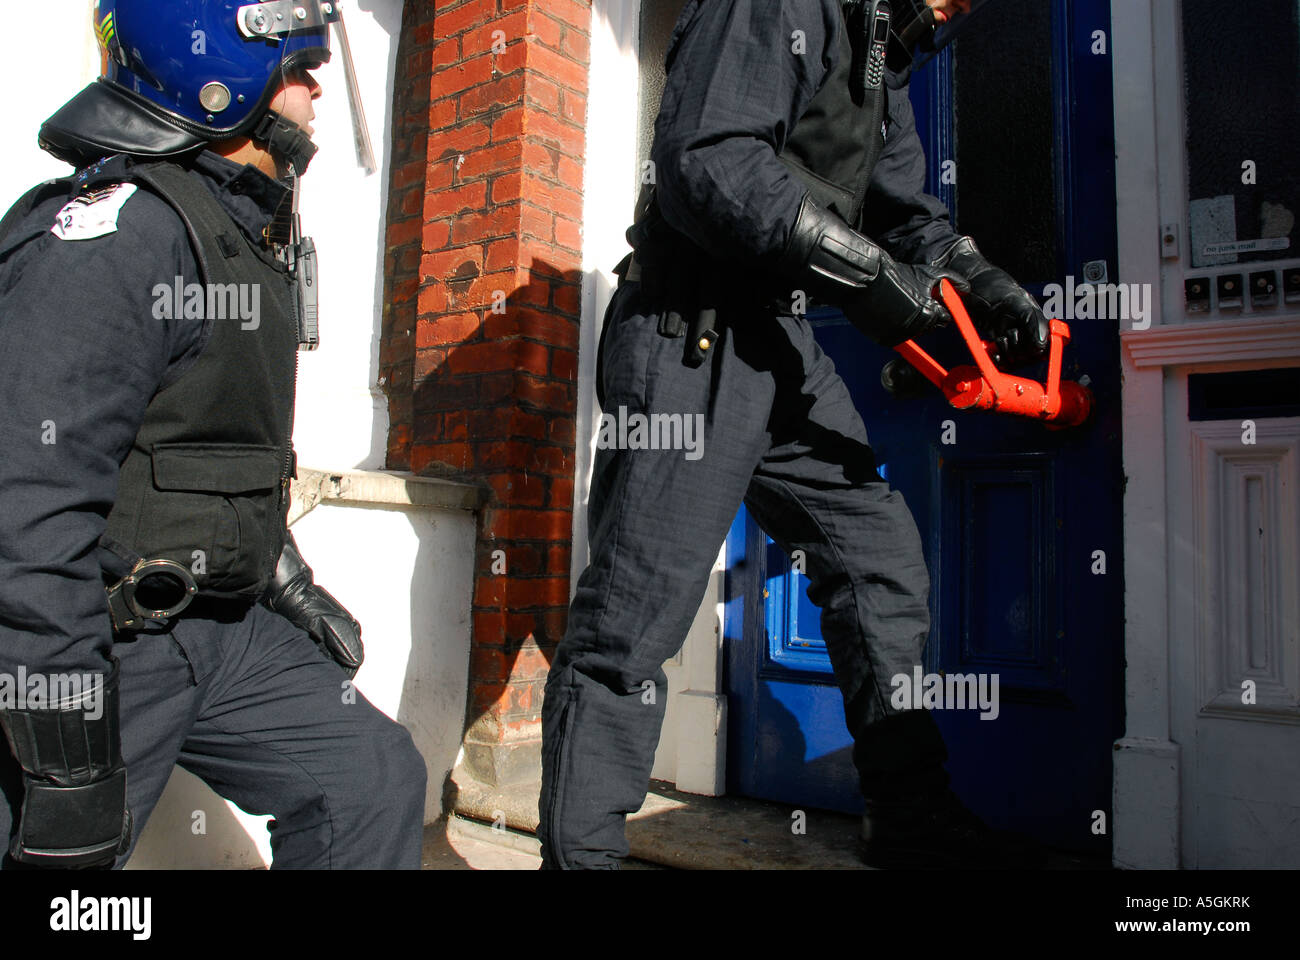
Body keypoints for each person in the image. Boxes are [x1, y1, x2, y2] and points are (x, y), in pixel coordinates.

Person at [538, 0, 1051, 869]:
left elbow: (906, 220)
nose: (960, 6)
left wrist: (983, 279)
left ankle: (909, 814)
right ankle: (579, 857)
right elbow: (709, 160)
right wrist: (870, 277)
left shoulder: (877, 60)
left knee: (877, 559)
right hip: (687, 326)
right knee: (633, 617)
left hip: (782, 339)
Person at [0, 0, 425, 869]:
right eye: (298, 67)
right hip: (103, 641)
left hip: (224, 629)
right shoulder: (117, 238)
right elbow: (25, 506)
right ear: (216, 74)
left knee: (371, 779)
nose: (315, 88)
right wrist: (63, 737)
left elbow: (201, 445)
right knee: (60, 877)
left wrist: (281, 572)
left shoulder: (240, 231)